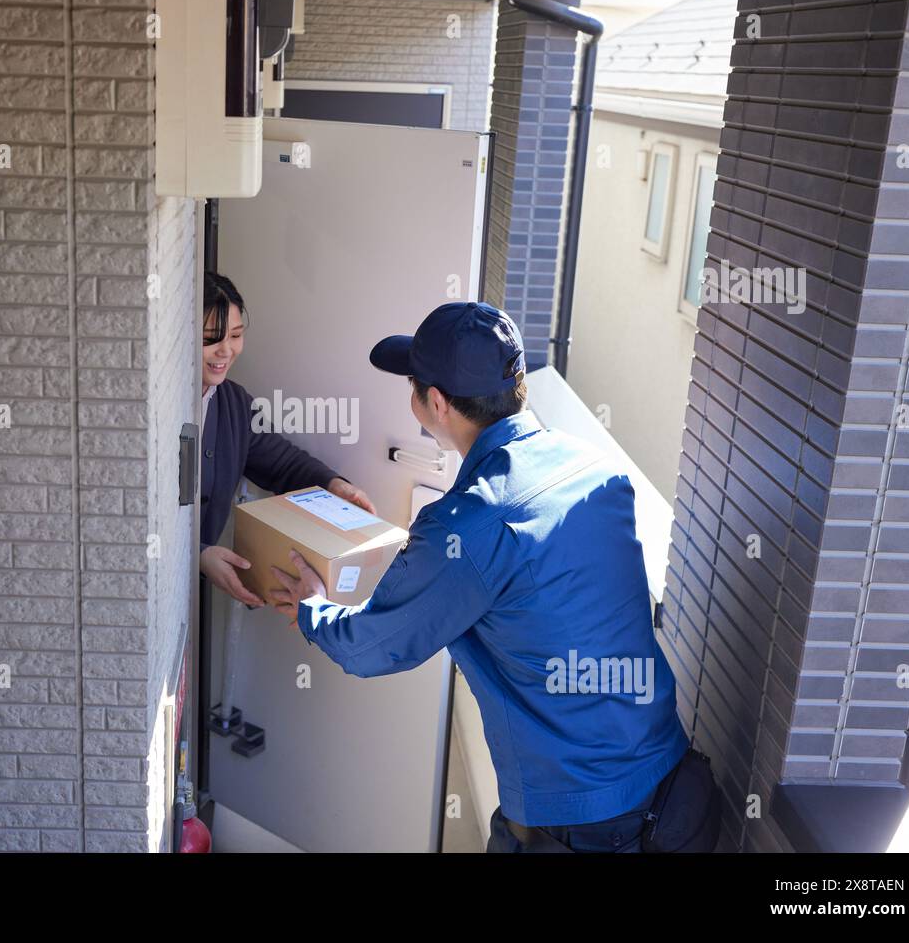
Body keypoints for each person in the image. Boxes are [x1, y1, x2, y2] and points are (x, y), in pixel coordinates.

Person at [267, 301, 695, 853]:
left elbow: (375, 647)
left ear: (437, 404)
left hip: (576, 825)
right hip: (666, 777)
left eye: (413, 382)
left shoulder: (470, 524)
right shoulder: (593, 467)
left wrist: (312, 606)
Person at [198, 271, 375, 608]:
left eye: (235, 335)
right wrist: (200, 555)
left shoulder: (233, 403)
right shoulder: (157, 412)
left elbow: (283, 463)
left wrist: (334, 485)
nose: (226, 350)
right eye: (211, 338)